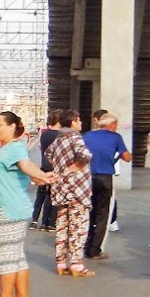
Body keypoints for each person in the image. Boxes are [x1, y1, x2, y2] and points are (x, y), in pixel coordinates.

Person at [0, 112, 55, 297]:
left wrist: (42, 176)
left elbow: (26, 165)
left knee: (6, 256)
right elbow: (24, 169)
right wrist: (40, 177)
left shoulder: (14, 148)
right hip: (13, 207)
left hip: (8, 208)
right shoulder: (10, 148)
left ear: (12, 127)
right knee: (17, 255)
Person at [48, 110, 94, 277]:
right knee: (78, 227)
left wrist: (60, 168)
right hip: (77, 190)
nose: (80, 123)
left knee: (62, 226)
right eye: (79, 120)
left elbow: (48, 154)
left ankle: (60, 263)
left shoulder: (59, 139)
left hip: (61, 190)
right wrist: (75, 167)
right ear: (73, 122)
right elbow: (86, 155)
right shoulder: (75, 138)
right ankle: (76, 265)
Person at [83, 113, 131, 260]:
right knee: (103, 213)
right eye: (115, 125)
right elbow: (127, 158)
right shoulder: (115, 137)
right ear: (111, 125)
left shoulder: (88, 136)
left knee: (89, 211)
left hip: (88, 177)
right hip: (105, 177)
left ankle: (86, 244)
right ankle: (95, 250)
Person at [30, 111, 62, 231]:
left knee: (40, 195)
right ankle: (47, 223)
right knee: (52, 196)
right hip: (55, 168)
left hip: (44, 167)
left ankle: (34, 220)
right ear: (59, 121)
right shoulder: (60, 135)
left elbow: (41, 148)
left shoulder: (44, 134)